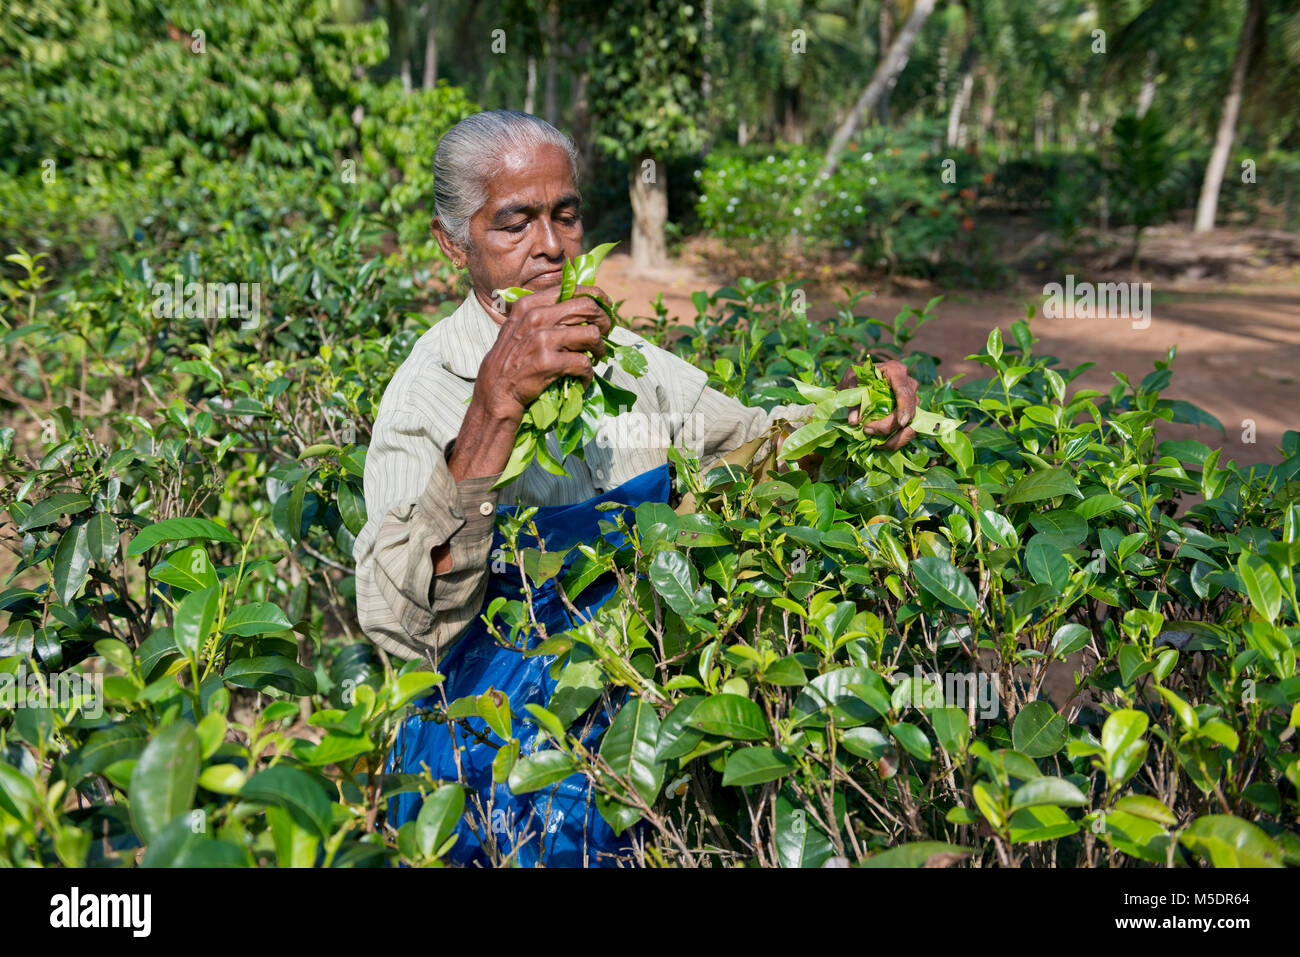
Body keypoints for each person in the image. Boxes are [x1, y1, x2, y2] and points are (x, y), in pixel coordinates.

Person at [352, 110, 920, 867]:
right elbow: (405, 630)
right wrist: (491, 413)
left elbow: (748, 447)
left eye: (566, 215)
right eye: (514, 222)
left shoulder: (624, 360)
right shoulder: (426, 394)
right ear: (453, 242)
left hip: (633, 744)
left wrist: (848, 413)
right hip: (498, 765)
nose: (550, 246)